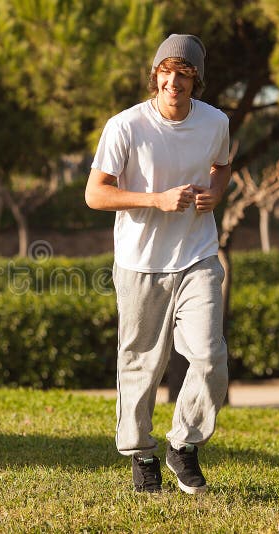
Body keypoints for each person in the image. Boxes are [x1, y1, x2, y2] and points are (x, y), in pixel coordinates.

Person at [84, 34, 230, 494]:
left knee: (209, 357)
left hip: (197, 255)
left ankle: (183, 445)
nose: (174, 81)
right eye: (166, 72)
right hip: (139, 263)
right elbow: (95, 194)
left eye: (184, 73)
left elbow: (222, 165)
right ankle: (141, 453)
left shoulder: (215, 122)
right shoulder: (124, 126)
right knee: (141, 363)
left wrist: (216, 192)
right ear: (155, 75)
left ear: (195, 79)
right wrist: (156, 201)